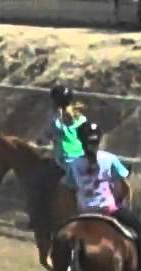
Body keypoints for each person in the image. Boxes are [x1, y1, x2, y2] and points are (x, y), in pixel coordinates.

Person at [67, 122, 141, 271]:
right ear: (99, 140)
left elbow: (71, 188)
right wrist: (122, 202)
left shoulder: (73, 164)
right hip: (108, 210)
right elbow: (125, 185)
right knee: (139, 229)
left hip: (84, 211)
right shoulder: (109, 159)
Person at [30, 85, 86, 230]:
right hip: (82, 159)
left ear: (55, 102)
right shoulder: (81, 117)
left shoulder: (55, 121)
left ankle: (38, 217)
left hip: (64, 161)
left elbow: (43, 139)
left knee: (40, 182)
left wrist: (36, 143)